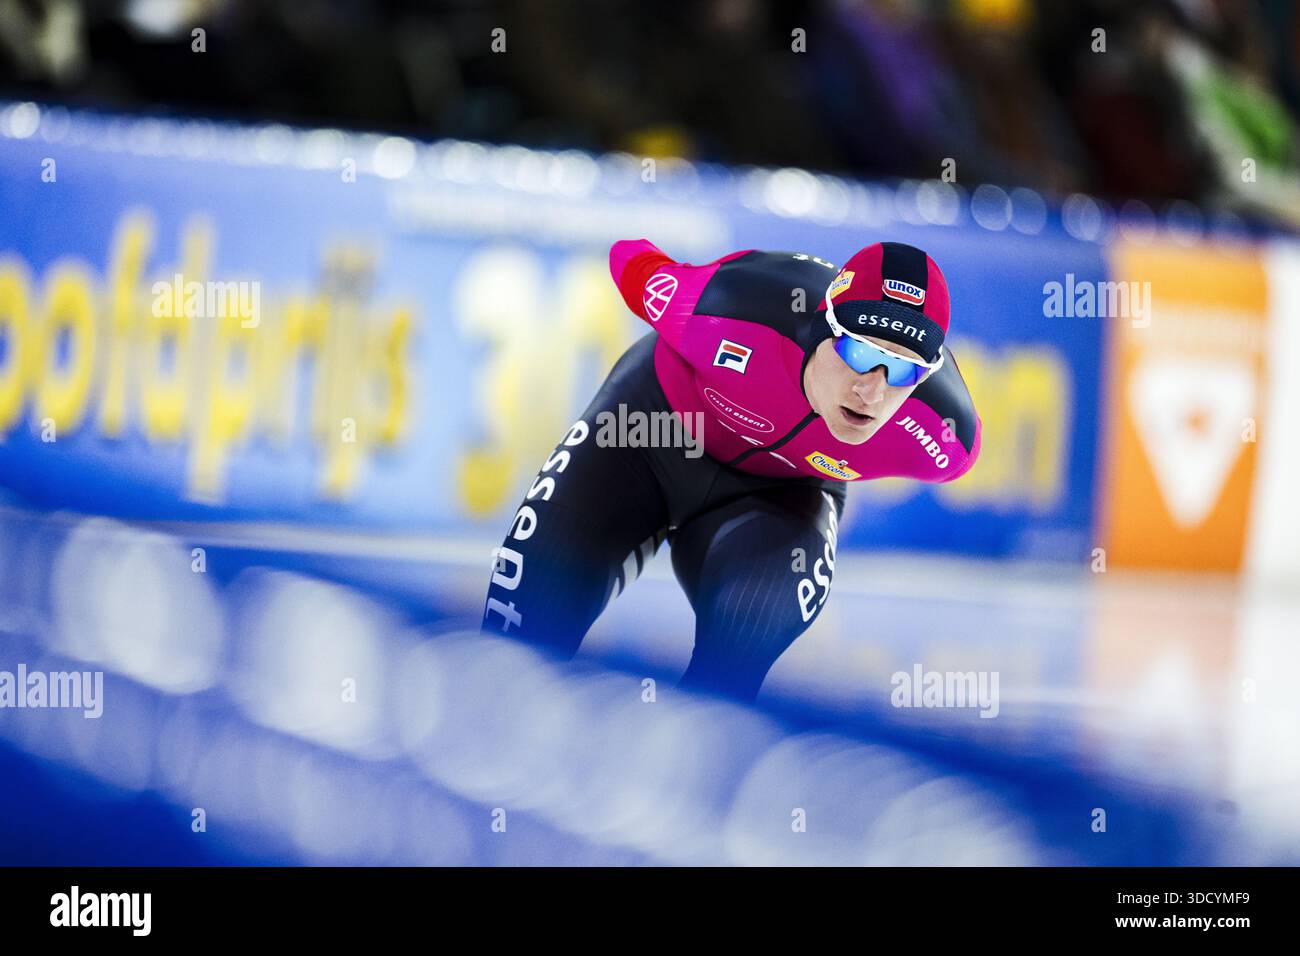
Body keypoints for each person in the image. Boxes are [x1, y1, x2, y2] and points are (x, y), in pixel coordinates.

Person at [482, 239, 982, 702]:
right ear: (824, 325)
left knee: (745, 641)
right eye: (860, 352)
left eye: (902, 370)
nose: (871, 392)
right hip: (650, 437)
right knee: (512, 650)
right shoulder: (731, 310)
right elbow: (628, 256)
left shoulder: (942, 436)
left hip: (781, 495)